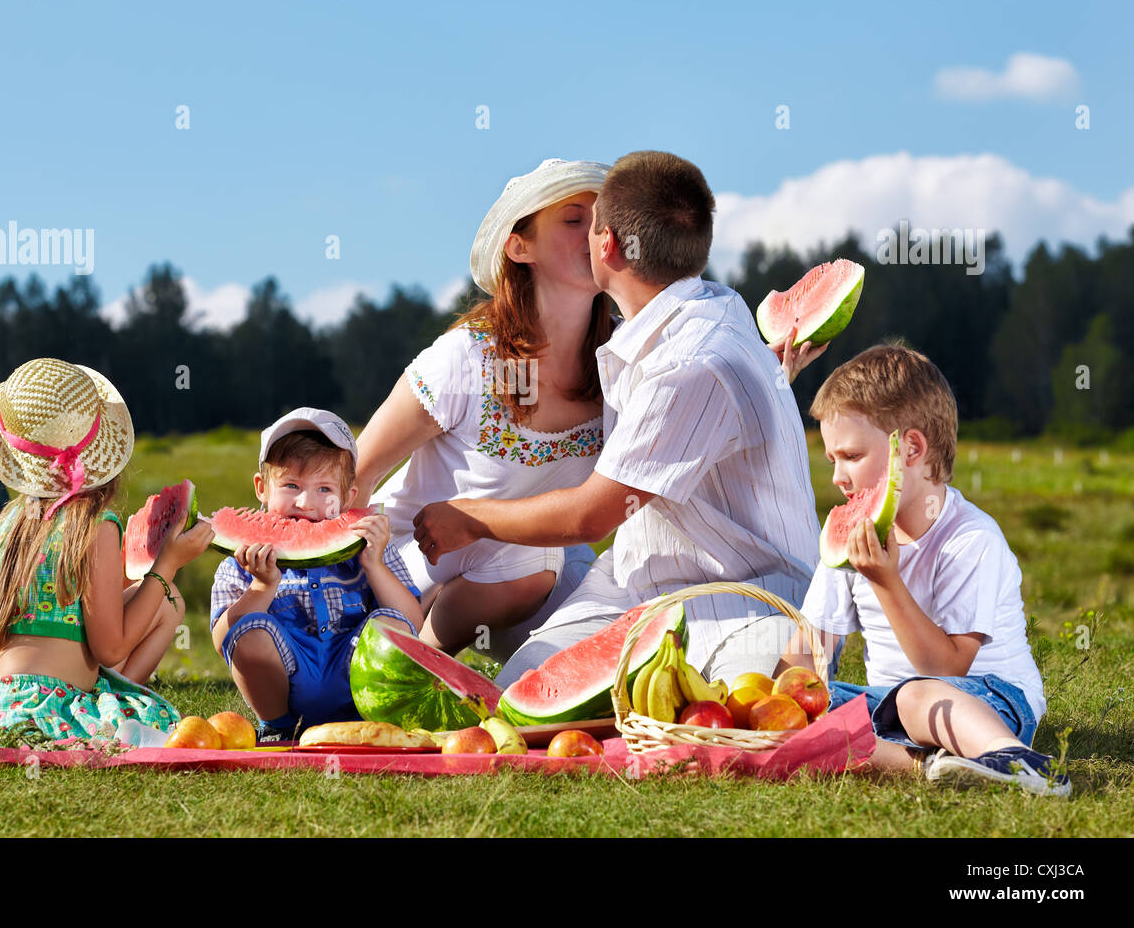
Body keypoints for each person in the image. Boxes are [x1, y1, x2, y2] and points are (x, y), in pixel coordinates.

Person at [413, 150, 822, 687]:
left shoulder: (690, 363)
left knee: (739, 728)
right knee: (521, 699)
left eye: (589, 225)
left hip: (751, 600)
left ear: (606, 245)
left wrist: (468, 517)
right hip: (632, 590)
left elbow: (593, 517)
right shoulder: (697, 319)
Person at [776, 345, 1069, 795]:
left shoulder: (972, 540)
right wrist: (778, 700)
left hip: (987, 699)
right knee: (800, 709)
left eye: (851, 456)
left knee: (917, 694)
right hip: (891, 709)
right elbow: (809, 649)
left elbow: (945, 666)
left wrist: (886, 582)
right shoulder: (857, 534)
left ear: (910, 448)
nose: (837, 476)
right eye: (832, 458)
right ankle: (928, 766)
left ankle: (1015, 761)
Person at [355, 158, 614, 657]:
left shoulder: (625, 360)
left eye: (602, 220)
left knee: (604, 634)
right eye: (572, 219)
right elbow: (358, 473)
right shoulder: (466, 358)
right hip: (406, 563)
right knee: (534, 562)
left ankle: (441, 654)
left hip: (528, 575)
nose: (594, 234)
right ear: (520, 247)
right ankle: (418, 659)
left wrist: (762, 375)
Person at [0, 357, 211, 742]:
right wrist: (167, 564)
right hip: (53, 710)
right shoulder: (96, 526)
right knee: (169, 600)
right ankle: (115, 713)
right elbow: (111, 649)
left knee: (163, 600)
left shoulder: (5, 524)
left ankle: (107, 704)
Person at [211, 408, 423, 739]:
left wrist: (374, 565)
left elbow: (412, 623)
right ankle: (278, 729)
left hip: (353, 680)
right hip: (284, 684)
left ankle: (371, 715)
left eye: (324, 489)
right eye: (291, 485)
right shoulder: (241, 562)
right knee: (249, 630)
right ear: (261, 488)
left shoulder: (370, 550)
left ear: (349, 497)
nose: (306, 502)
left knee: (391, 626)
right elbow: (222, 638)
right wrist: (262, 586)